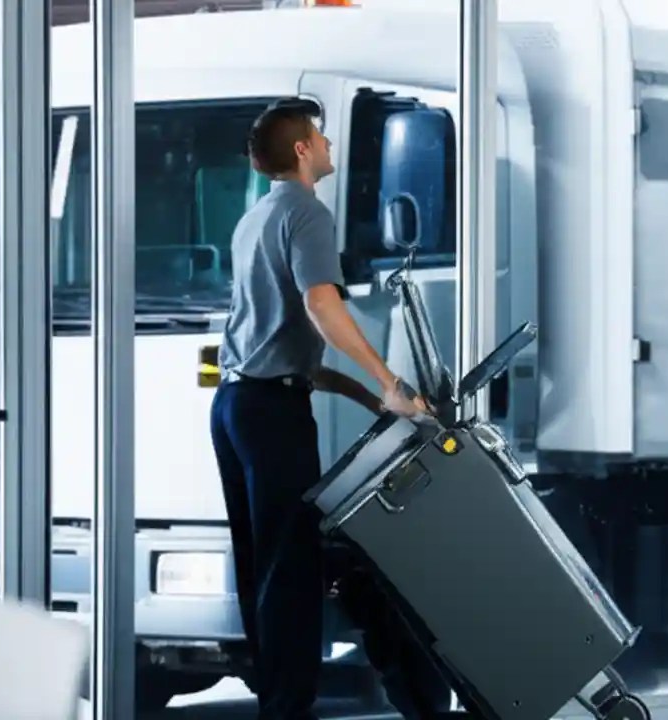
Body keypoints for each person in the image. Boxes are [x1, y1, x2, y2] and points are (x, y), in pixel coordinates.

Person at [209, 97, 429, 719]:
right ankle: (287, 710)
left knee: (263, 564)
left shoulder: (255, 218)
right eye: (322, 138)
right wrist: (387, 379)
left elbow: (285, 348)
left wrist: (370, 399)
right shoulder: (307, 211)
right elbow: (321, 309)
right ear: (302, 150)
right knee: (292, 566)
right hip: (270, 415)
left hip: (235, 407)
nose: (330, 147)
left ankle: (275, 699)